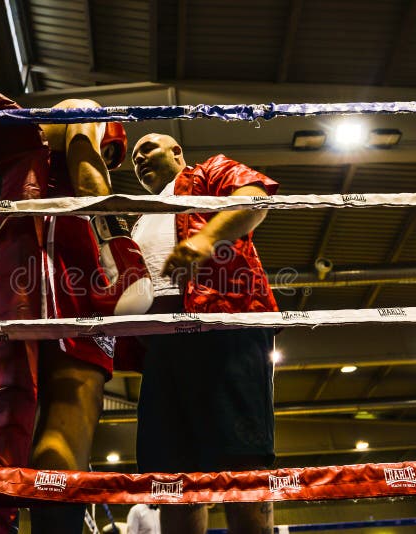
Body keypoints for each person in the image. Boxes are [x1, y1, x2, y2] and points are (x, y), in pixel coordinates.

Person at [0, 58, 151, 533]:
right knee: (71, 412)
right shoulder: (80, 111)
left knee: (2, 423)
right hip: (71, 266)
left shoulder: (3, 165)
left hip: (3, 277)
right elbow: (89, 169)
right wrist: (124, 249)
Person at [130, 133, 279, 533]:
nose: (138, 158)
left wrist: (206, 238)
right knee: (173, 472)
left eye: (147, 148)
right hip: (161, 346)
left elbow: (254, 198)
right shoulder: (139, 216)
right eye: (133, 157)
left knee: (241, 460)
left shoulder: (208, 172)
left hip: (223, 323)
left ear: (177, 151)